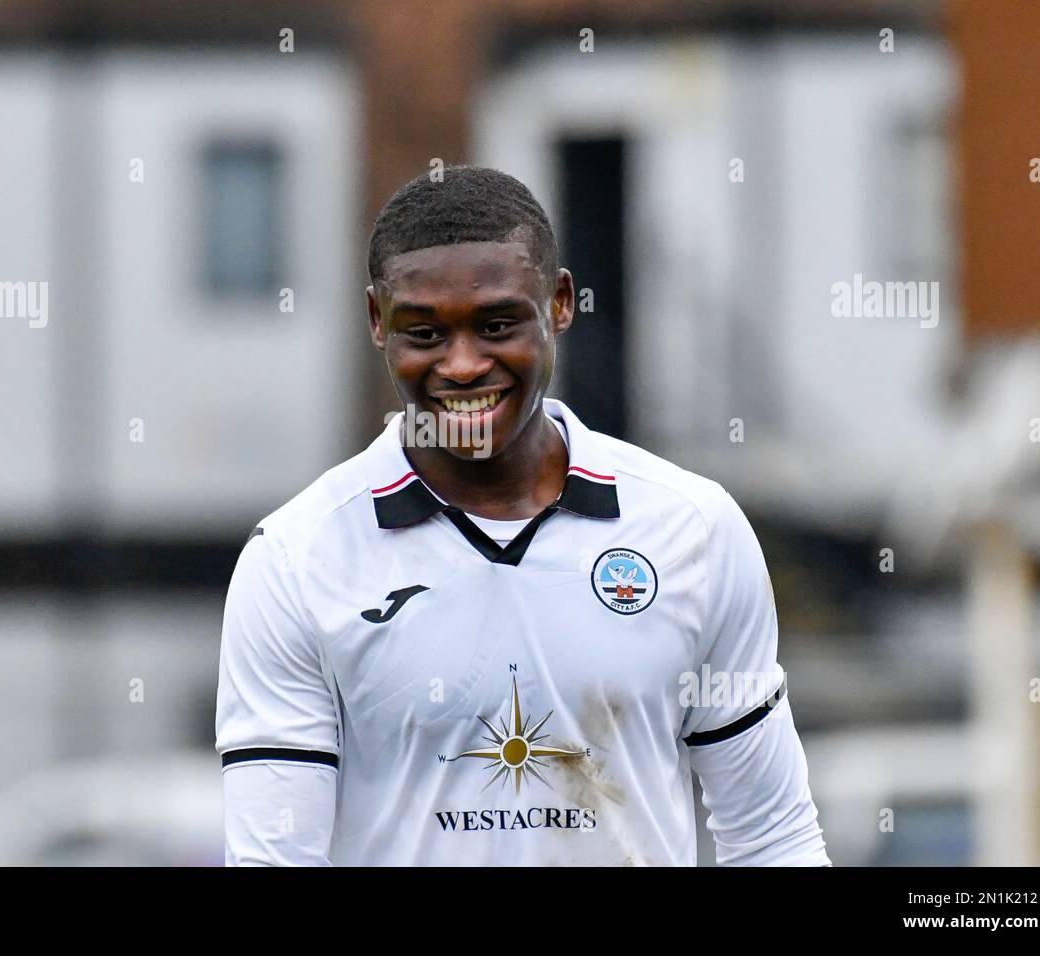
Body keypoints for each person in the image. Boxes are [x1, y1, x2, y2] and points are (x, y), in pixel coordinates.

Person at [215, 165, 830, 866]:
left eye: (497, 324)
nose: (465, 364)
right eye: (424, 333)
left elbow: (772, 837)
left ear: (560, 303)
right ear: (377, 322)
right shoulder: (296, 561)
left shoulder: (694, 530)